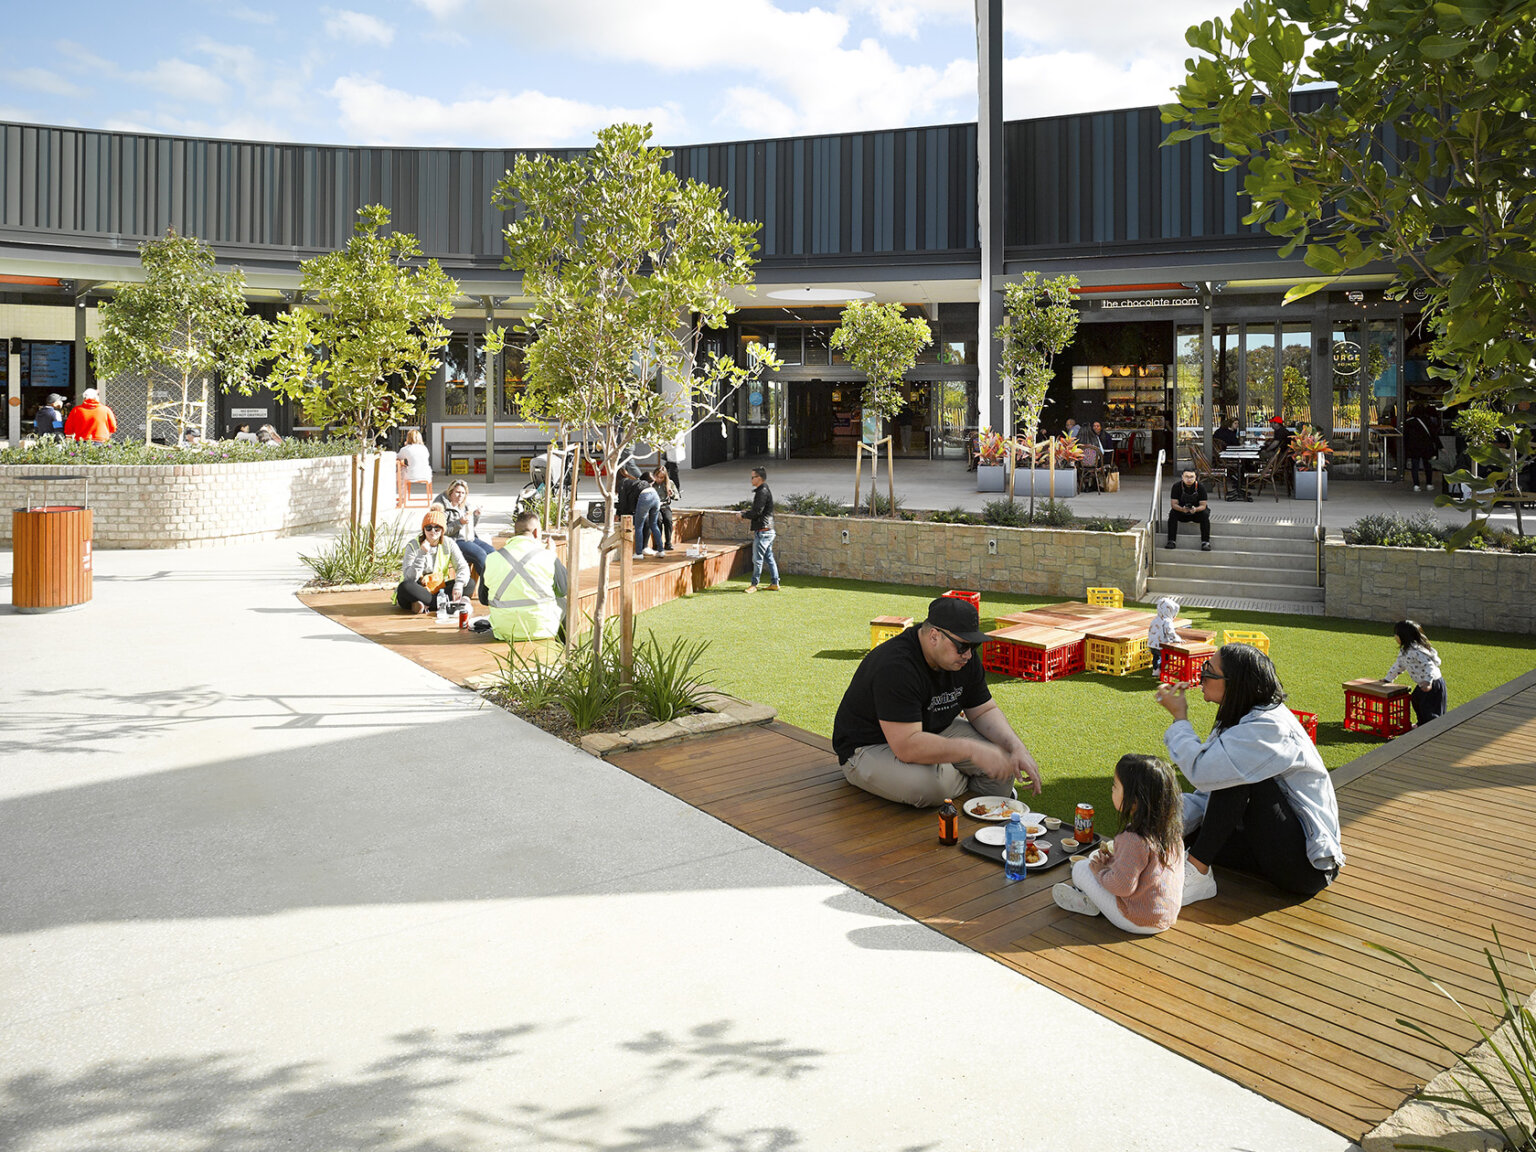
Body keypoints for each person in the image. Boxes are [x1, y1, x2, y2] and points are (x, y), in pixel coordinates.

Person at [1155, 644, 1344, 903]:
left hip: (1306, 866)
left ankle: (1197, 874)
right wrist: (1164, 822)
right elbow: (1209, 791)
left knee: (1240, 779)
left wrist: (1180, 718)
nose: (1201, 678)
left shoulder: (1270, 728)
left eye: (1208, 673)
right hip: (1266, 846)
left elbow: (1202, 772)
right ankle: (1185, 858)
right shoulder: (1243, 718)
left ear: (1235, 683)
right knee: (1178, 825)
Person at [832, 594, 1044, 808]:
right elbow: (906, 746)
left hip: (928, 729)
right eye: (962, 646)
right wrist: (971, 751)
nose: (969, 655)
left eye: (974, 646)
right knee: (932, 785)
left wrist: (1017, 748)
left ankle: (980, 819)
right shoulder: (896, 665)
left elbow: (983, 710)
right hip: (869, 745)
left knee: (1003, 761)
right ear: (934, 636)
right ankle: (957, 787)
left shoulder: (963, 657)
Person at [1051, 754, 1185, 933]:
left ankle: (1085, 901)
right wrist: (1114, 862)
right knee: (1098, 870)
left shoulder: (1134, 838)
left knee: (1081, 869)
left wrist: (1101, 872)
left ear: (1134, 800)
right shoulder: (1171, 832)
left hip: (1135, 920)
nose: (1112, 790)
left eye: (1115, 786)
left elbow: (1122, 887)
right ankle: (1092, 901)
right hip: (1165, 918)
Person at [481, 509, 568, 642]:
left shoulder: (491, 558)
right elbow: (563, 589)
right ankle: (567, 653)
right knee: (564, 603)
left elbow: (483, 598)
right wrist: (553, 554)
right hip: (541, 627)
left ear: (515, 533)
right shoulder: (547, 556)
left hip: (504, 630)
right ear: (536, 532)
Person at [393, 507, 466, 615]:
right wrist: (422, 553)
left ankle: (424, 604)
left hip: (438, 587)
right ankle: (440, 604)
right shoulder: (413, 545)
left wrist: (458, 585)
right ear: (423, 529)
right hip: (418, 587)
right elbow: (409, 577)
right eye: (429, 528)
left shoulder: (449, 543)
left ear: (442, 531)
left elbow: (462, 566)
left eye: (437, 528)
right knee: (405, 587)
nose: (433, 531)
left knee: (468, 584)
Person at [1383, 619, 1447, 727]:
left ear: (1403, 636)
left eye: (1396, 634)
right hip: (1422, 683)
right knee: (1416, 700)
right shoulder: (1405, 651)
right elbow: (1399, 665)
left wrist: (1428, 681)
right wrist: (1388, 679)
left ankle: (1433, 729)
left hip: (1432, 683)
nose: (1395, 636)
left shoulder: (1417, 651)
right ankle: (1421, 724)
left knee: (1429, 709)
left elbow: (1430, 666)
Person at [433, 479, 491, 597]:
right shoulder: (442, 507)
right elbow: (442, 531)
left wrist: (476, 516)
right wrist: (459, 522)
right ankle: (487, 591)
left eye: (463, 493)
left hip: (469, 537)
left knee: (492, 553)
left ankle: (497, 584)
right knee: (480, 555)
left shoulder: (464, 506)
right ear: (451, 492)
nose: (460, 496)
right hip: (454, 540)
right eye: (457, 492)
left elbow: (471, 527)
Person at [740, 466, 779, 592]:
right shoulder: (764, 490)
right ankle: (775, 583)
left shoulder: (762, 492)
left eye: (753, 477)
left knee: (757, 559)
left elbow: (757, 512)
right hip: (768, 530)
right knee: (769, 557)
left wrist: (743, 515)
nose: (751, 479)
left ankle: (754, 585)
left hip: (763, 531)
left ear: (759, 478)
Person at [1166, 469, 1211, 551]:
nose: (1189, 479)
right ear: (1182, 477)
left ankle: (1205, 542)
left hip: (1196, 513)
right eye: (1186, 477)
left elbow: (1203, 505)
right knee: (1172, 513)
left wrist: (1195, 509)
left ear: (1195, 477)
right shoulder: (1176, 486)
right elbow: (1173, 504)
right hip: (1182, 512)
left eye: (1191, 477)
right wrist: (1182, 509)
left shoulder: (1201, 487)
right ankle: (1171, 541)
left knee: (1205, 514)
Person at [1403, 404, 1440, 493]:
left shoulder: (1408, 422)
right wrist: (1440, 446)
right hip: (1426, 447)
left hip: (1414, 448)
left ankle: (1416, 485)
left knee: (1415, 466)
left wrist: (1406, 448)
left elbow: (1406, 437)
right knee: (1428, 466)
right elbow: (1434, 435)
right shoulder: (1427, 421)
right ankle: (1429, 484)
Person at [1147, 596, 1185, 673]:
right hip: (1161, 645)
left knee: (1156, 657)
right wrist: (1177, 639)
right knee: (1166, 658)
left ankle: (1155, 670)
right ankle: (1162, 670)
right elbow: (1170, 632)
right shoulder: (1167, 621)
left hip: (1152, 644)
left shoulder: (1156, 619)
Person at [651, 463, 680, 553]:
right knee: (658, 520)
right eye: (657, 477)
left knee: (668, 520)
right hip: (654, 506)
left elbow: (677, 496)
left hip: (665, 505)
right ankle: (657, 543)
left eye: (661, 477)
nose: (659, 479)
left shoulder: (669, 483)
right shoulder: (651, 483)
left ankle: (668, 543)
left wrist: (672, 494)